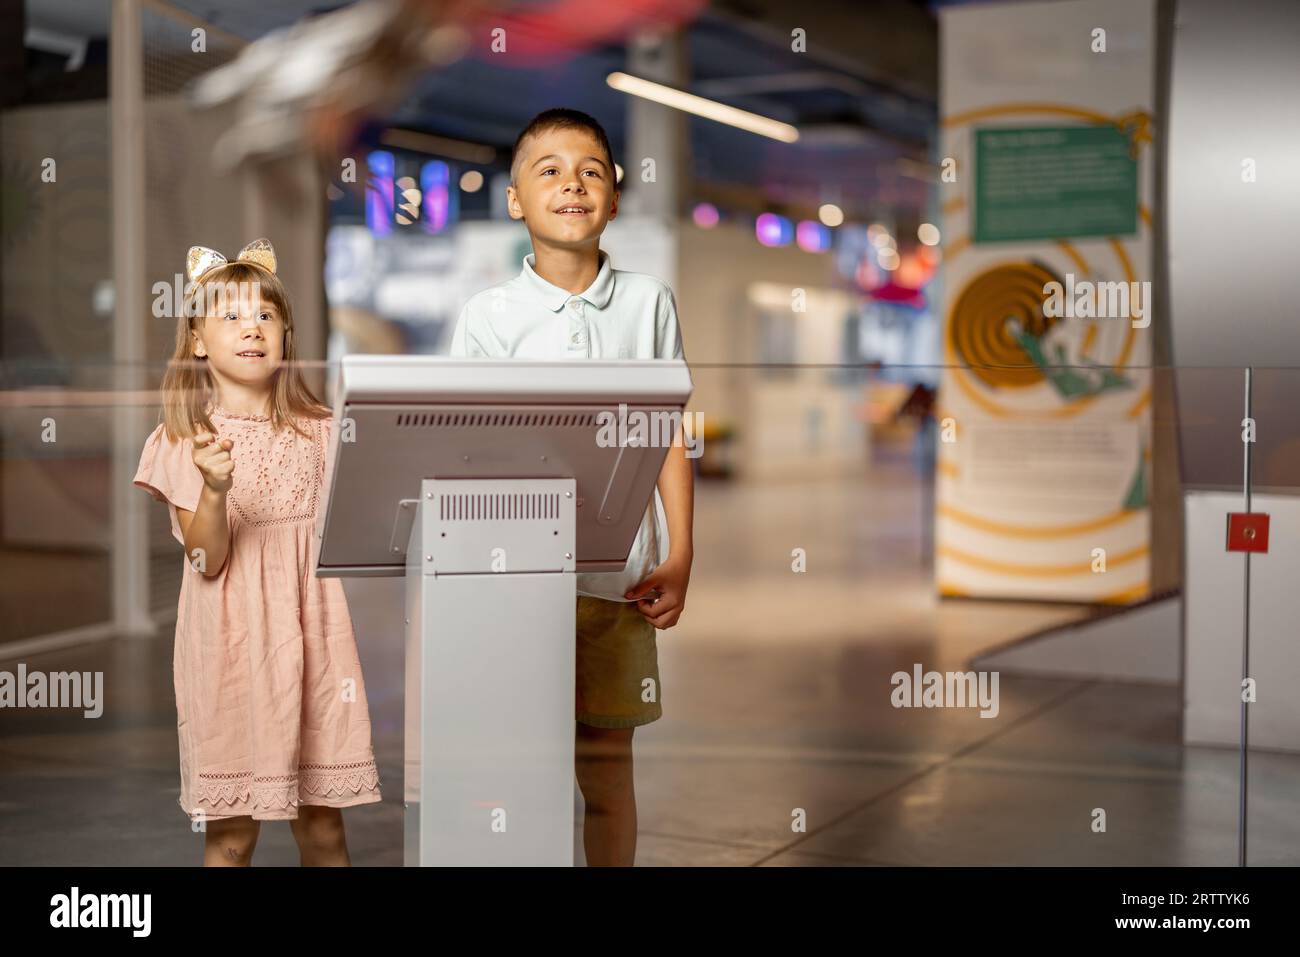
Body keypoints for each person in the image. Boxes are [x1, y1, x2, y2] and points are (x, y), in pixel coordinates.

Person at [449, 108, 695, 866]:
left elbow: (669, 437)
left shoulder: (649, 302)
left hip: (619, 587)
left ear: (615, 198)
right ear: (516, 199)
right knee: (525, 776)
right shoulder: (488, 317)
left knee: (608, 776)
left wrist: (681, 550)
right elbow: (466, 454)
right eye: (548, 169)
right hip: (520, 584)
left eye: (592, 170)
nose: (572, 184)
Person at [132, 239, 382, 866]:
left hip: (314, 642)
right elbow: (206, 561)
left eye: (266, 315)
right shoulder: (183, 439)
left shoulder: (322, 431)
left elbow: (370, 525)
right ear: (197, 341)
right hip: (230, 650)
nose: (252, 327)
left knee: (324, 831)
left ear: (286, 335)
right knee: (233, 836)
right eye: (232, 315)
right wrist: (214, 490)